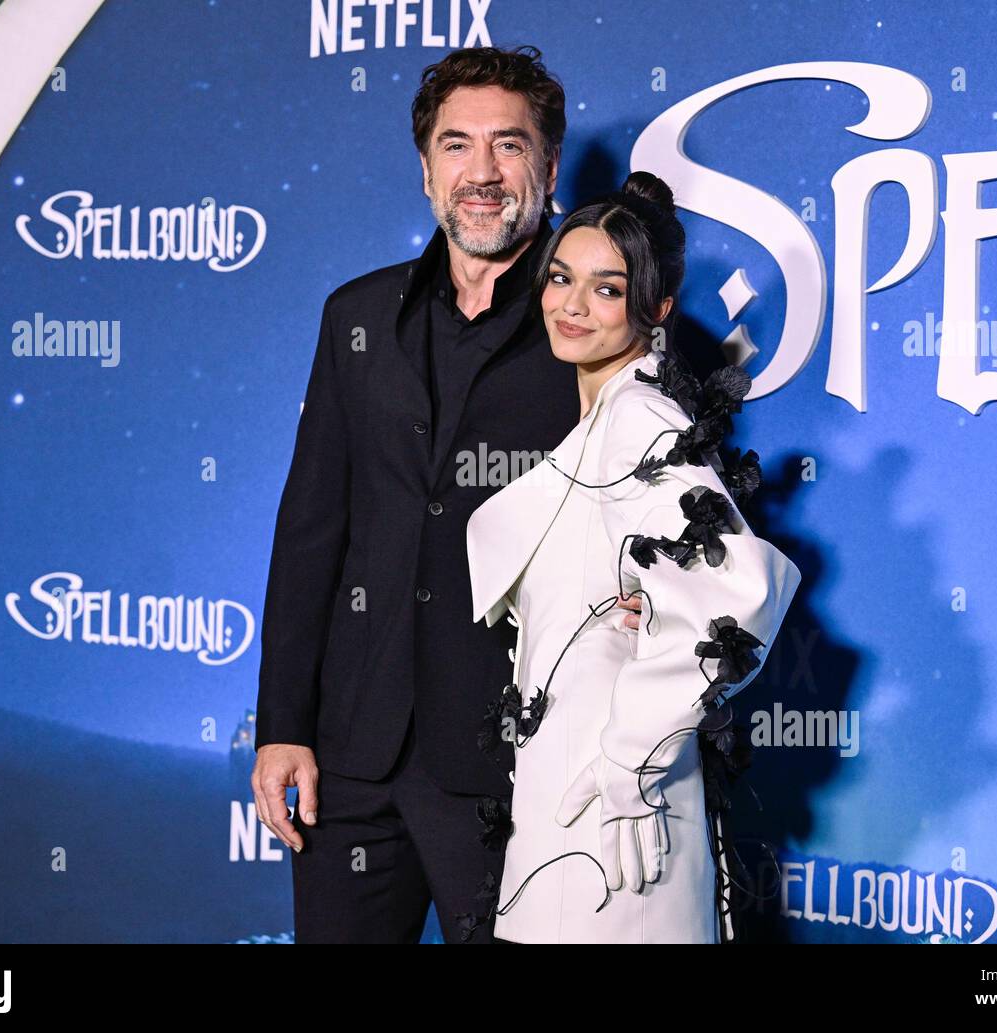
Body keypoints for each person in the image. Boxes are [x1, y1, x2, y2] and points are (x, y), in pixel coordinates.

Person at [251, 45, 642, 943]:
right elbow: (311, 532)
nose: (483, 173)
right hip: (351, 763)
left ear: (547, 167)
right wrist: (283, 724)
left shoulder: (594, 325)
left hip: (518, 772)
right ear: (426, 168)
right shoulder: (356, 318)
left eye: (509, 146)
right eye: (458, 145)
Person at [465, 171, 803, 943]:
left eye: (606, 289)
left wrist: (629, 758)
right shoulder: (610, 419)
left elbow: (737, 591)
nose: (571, 305)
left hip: (611, 827)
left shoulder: (640, 422)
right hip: (580, 819)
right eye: (560, 277)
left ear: (656, 310)